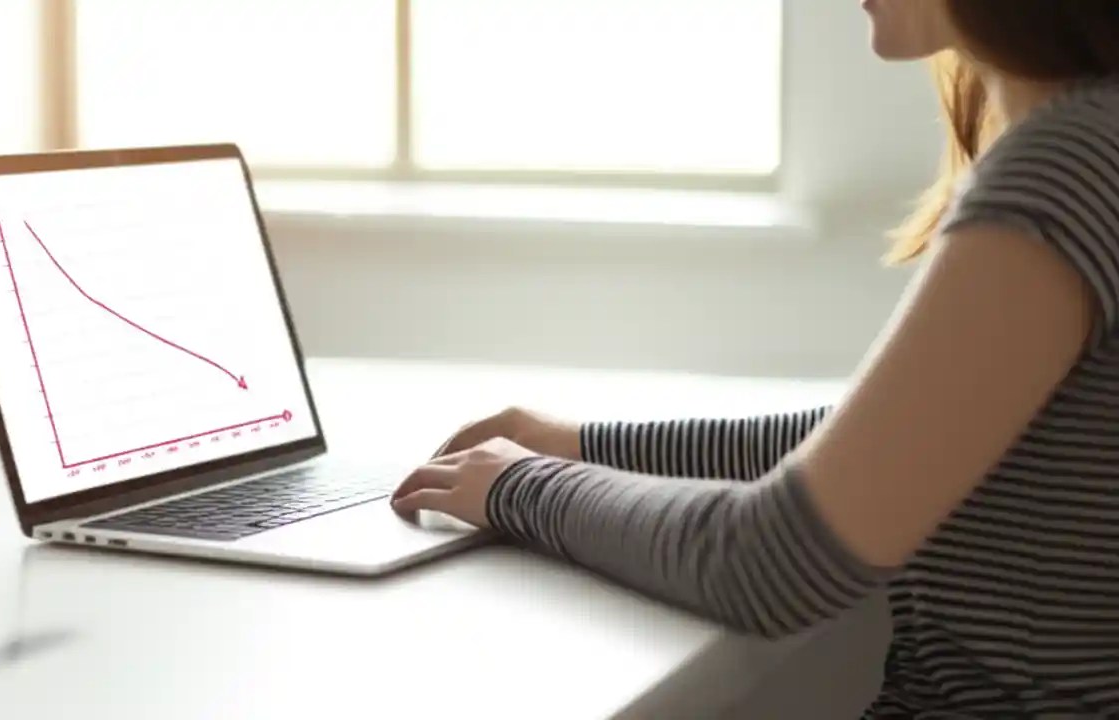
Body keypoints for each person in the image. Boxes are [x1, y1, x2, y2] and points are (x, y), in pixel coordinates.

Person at [390, 0, 1119, 716]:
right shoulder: (1091, 144)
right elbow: (889, 442)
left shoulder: (1062, 168)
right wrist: (582, 445)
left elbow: (779, 561)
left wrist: (522, 487)